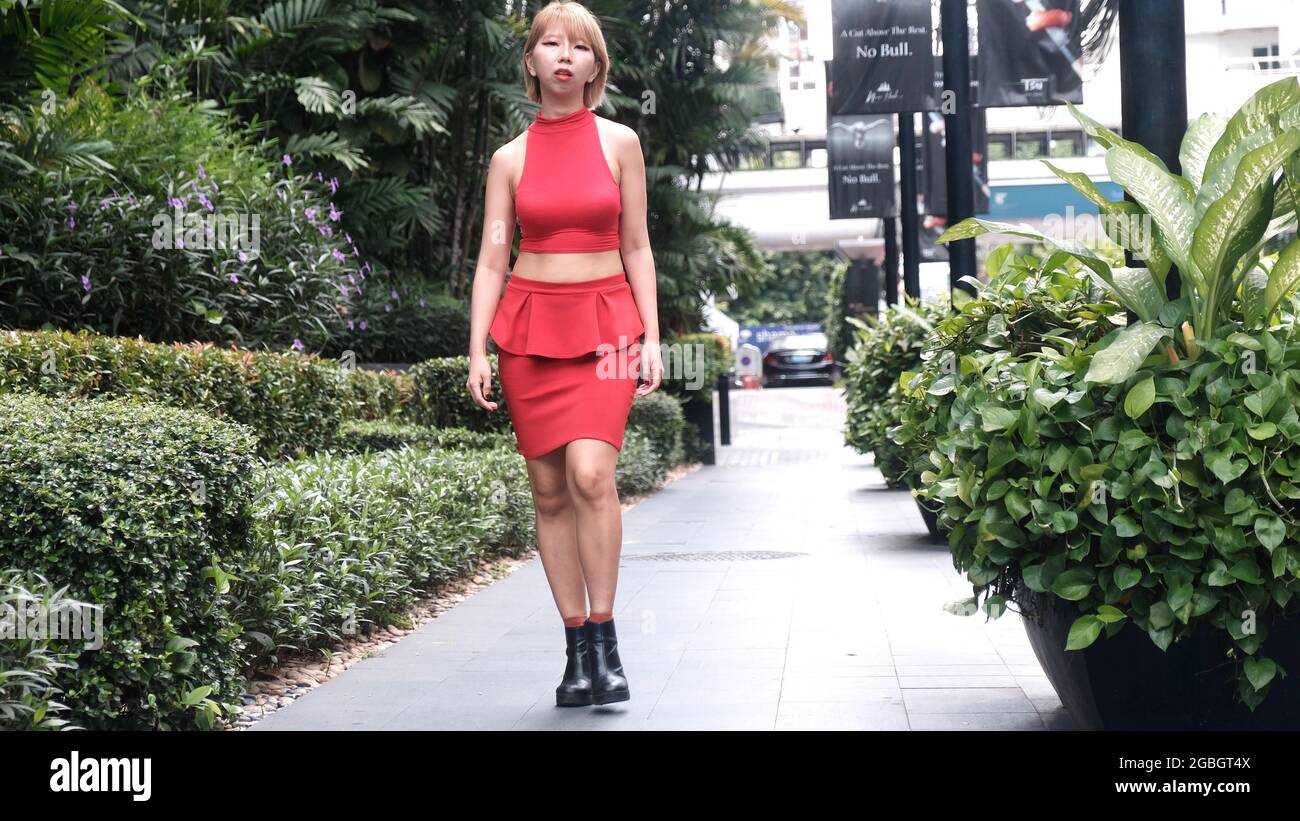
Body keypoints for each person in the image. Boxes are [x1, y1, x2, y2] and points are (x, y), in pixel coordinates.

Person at [465, 0, 664, 708]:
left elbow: (638, 244)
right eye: (549, 44)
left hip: (608, 326)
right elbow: (493, 258)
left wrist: (653, 336)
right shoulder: (508, 159)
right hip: (528, 334)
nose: (562, 56)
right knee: (548, 493)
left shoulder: (620, 144)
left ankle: (608, 642)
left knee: (589, 475)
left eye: (577, 47)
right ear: (531, 62)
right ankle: (578, 653)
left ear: (594, 65)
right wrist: (478, 347)